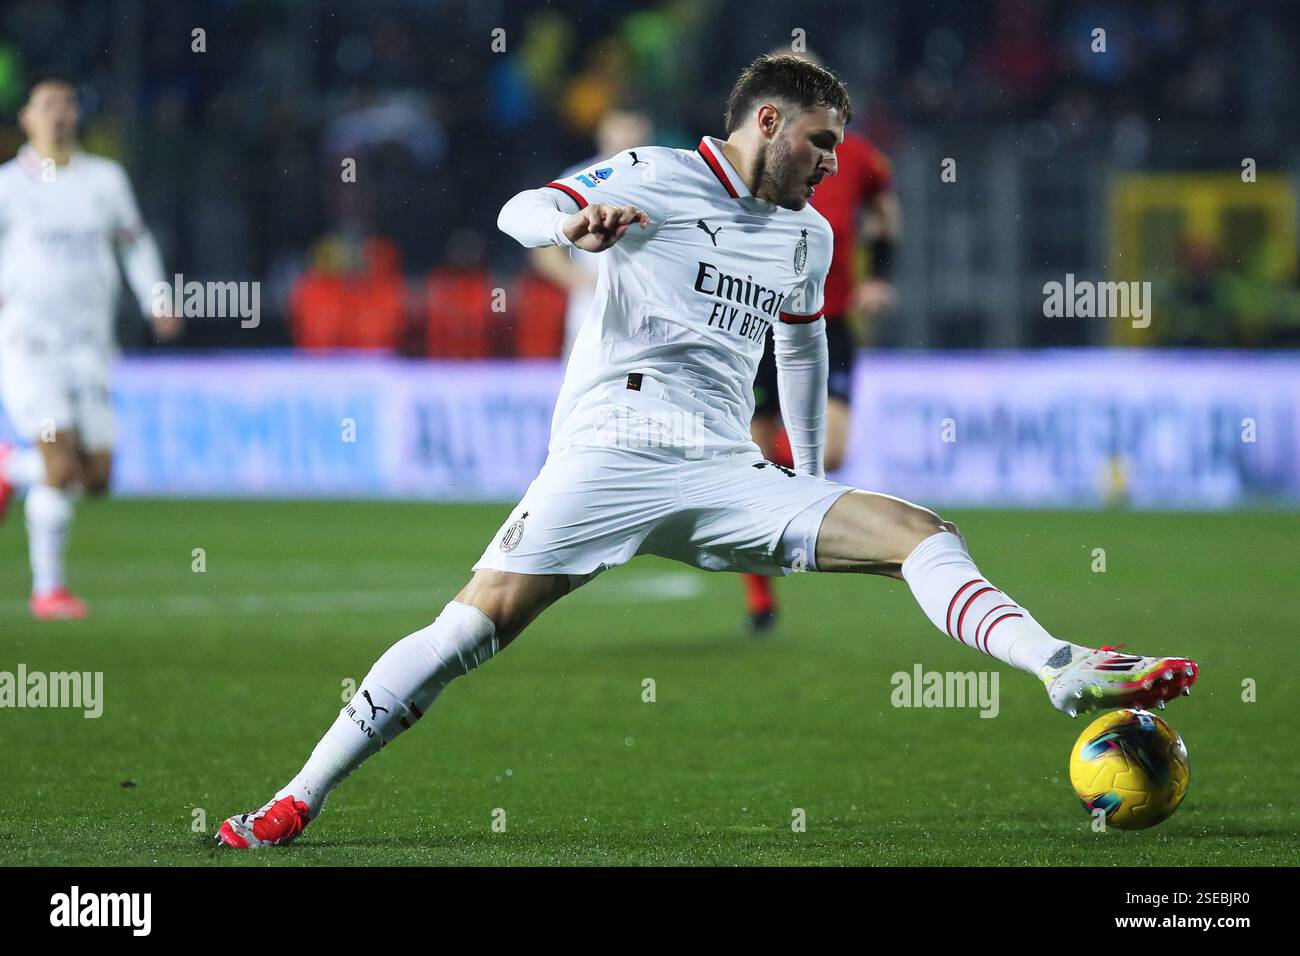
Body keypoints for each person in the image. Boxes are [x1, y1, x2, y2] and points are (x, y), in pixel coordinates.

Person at [216, 55, 1197, 849]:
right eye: (820, 143)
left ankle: (1056, 664)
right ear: (768, 122)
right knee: (470, 631)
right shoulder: (653, 175)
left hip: (725, 464)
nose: (829, 166)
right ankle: (296, 798)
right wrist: (573, 221)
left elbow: (802, 342)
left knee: (917, 530)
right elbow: (524, 208)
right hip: (611, 446)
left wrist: (809, 477)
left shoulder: (806, 235)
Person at [0, 74, 179, 619]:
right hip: (28, 341)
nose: (59, 113)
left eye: (68, 104)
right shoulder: (8, 185)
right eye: (47, 105)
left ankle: (9, 468)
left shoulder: (105, 179)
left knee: (96, 476)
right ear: (26, 118)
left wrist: (157, 298)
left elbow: (134, 242)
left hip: (89, 346)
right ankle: (48, 590)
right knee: (60, 463)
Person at [745, 54, 900, 632]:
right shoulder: (753, 155)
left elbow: (886, 212)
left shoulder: (853, 156)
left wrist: (881, 273)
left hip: (828, 321)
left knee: (831, 452)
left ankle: (771, 488)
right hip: (756, 319)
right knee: (755, 448)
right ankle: (760, 597)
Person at [527, 107, 653, 358]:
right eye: (620, 127)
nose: (627, 136)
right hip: (592, 309)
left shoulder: (660, 179)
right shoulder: (579, 181)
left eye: (634, 127)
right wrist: (583, 281)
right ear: (603, 131)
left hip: (648, 307)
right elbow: (543, 248)